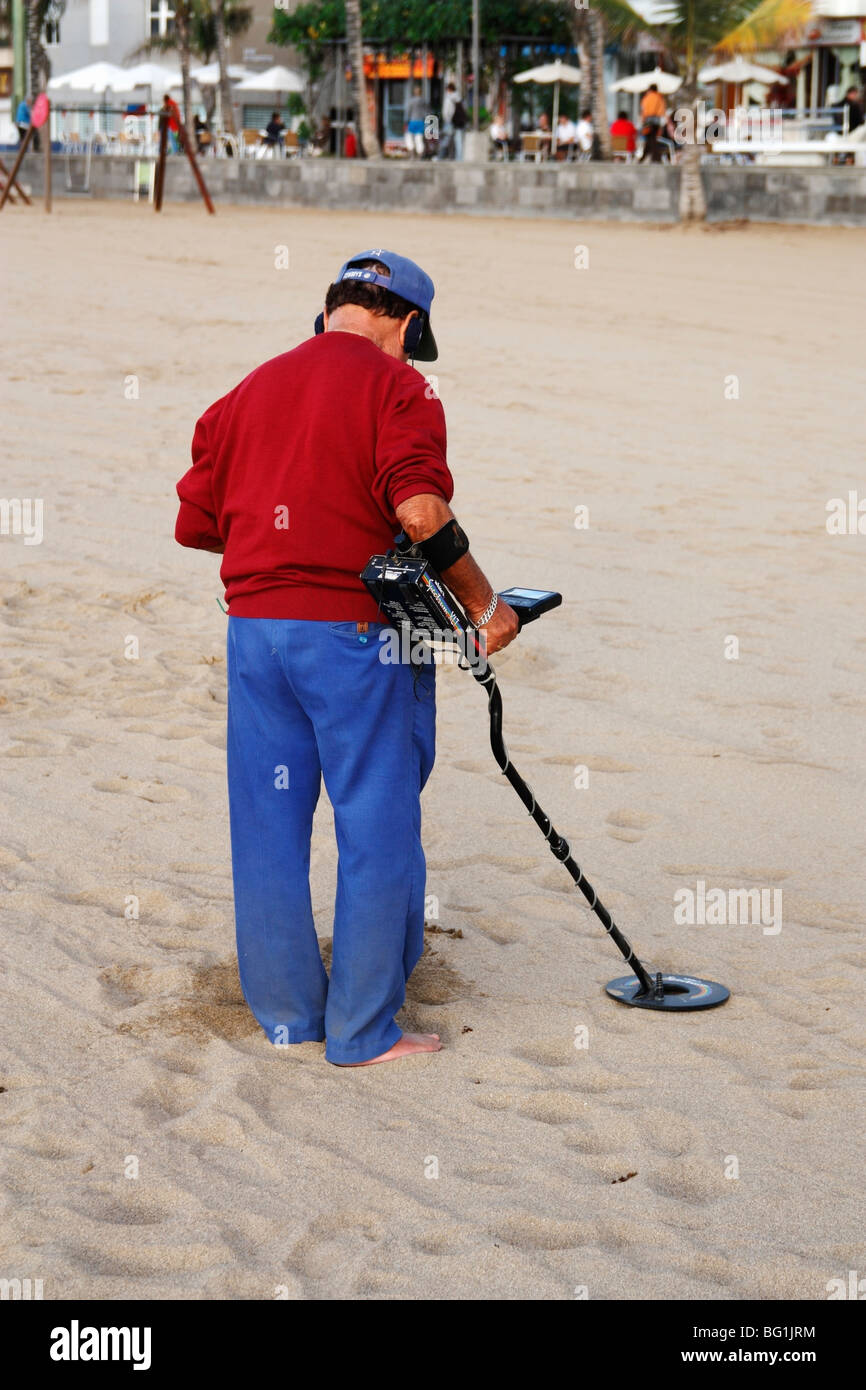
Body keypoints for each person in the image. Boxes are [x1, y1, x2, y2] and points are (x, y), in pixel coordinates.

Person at [174, 250, 520, 1067]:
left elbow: (197, 523)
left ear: (326, 311)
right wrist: (484, 602)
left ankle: (291, 1018)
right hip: (353, 634)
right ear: (408, 323)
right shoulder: (401, 387)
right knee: (377, 821)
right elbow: (421, 506)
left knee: (267, 828)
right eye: (414, 340)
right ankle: (364, 1031)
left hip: (255, 631)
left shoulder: (246, 391)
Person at [405, 85, 427, 157]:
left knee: (409, 136)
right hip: (420, 121)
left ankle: (412, 151)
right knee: (419, 138)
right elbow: (427, 112)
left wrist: (406, 120)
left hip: (412, 121)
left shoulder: (411, 101)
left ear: (414, 93)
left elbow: (408, 111)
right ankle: (420, 153)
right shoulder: (424, 101)